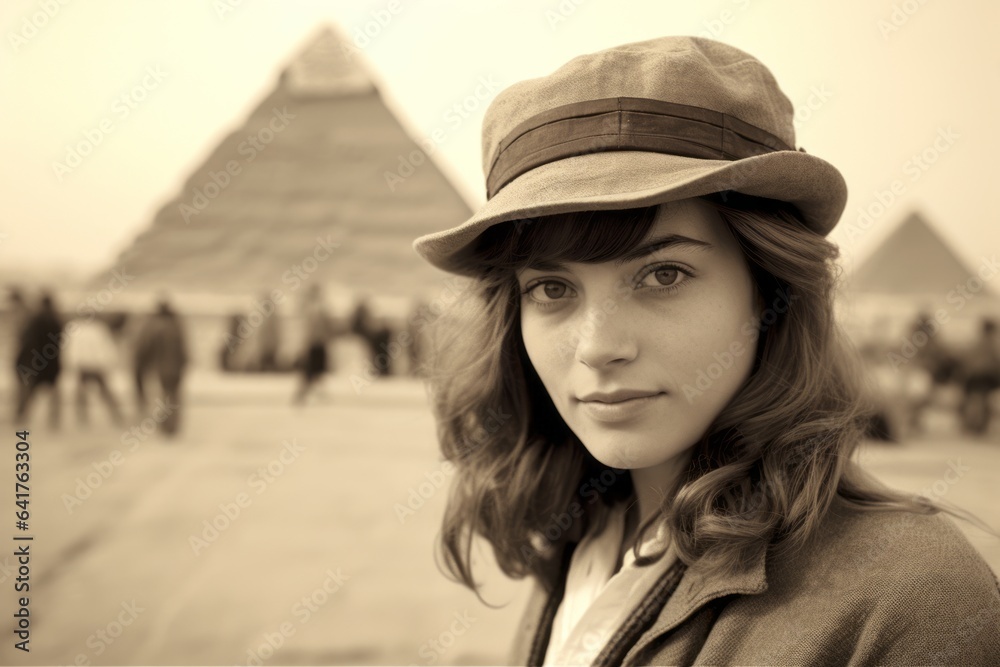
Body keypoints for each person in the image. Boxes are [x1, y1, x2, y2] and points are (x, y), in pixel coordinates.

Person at [411, 37, 1000, 665]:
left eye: (663, 275)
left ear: (771, 287)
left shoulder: (909, 602)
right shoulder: (586, 535)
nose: (599, 348)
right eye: (552, 289)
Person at [134, 297, 188, 435]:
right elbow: (184, 349)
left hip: (163, 368)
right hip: (177, 367)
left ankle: (167, 425)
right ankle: (172, 425)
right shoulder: (176, 326)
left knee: (165, 395)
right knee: (174, 395)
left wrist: (143, 364)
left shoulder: (156, 327)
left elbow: (147, 348)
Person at [64, 314, 124, 426]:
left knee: (83, 394)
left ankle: (82, 418)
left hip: (84, 365)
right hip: (96, 365)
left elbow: (70, 348)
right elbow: (107, 346)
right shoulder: (99, 328)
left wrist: (71, 363)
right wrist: (110, 362)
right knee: (104, 393)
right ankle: (117, 416)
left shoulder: (77, 328)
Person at [14, 291, 63, 428]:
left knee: (30, 390)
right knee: (53, 392)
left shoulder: (36, 319)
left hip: (35, 360)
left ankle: (22, 417)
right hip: (52, 360)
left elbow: (29, 342)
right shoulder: (56, 319)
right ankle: (54, 420)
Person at [293, 284, 336, 405]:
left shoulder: (313, 309)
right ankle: (303, 395)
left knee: (315, 372)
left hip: (316, 343)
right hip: (315, 344)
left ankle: (308, 395)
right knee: (311, 372)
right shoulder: (316, 309)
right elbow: (315, 329)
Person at [958, 317, 1000, 435]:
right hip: (983, 377)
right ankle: (977, 425)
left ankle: (974, 424)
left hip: (976, 377)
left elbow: (966, 361)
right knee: (980, 400)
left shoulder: (976, 343)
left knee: (976, 400)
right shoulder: (991, 344)